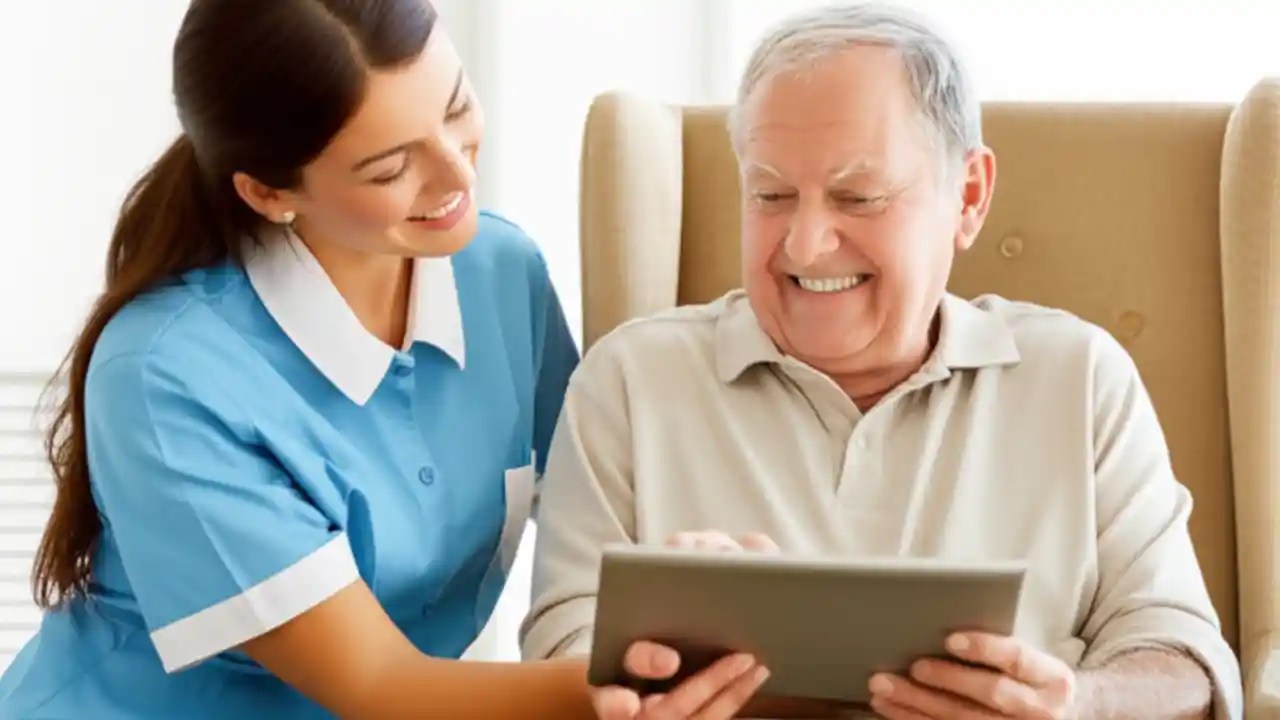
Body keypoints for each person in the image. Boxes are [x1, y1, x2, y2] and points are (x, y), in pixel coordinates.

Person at [0, 2, 765, 718]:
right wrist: (636, 685)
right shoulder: (166, 376)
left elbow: (597, 504)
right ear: (269, 193)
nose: (458, 176)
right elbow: (377, 687)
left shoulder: (499, 271)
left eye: (457, 108)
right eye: (392, 168)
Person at [522, 3, 1245, 719]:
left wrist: (1078, 704)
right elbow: (559, 652)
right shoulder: (629, 380)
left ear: (968, 196)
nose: (804, 245)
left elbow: (1185, 658)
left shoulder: (1080, 377)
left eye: (858, 197)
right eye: (770, 194)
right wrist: (643, 663)